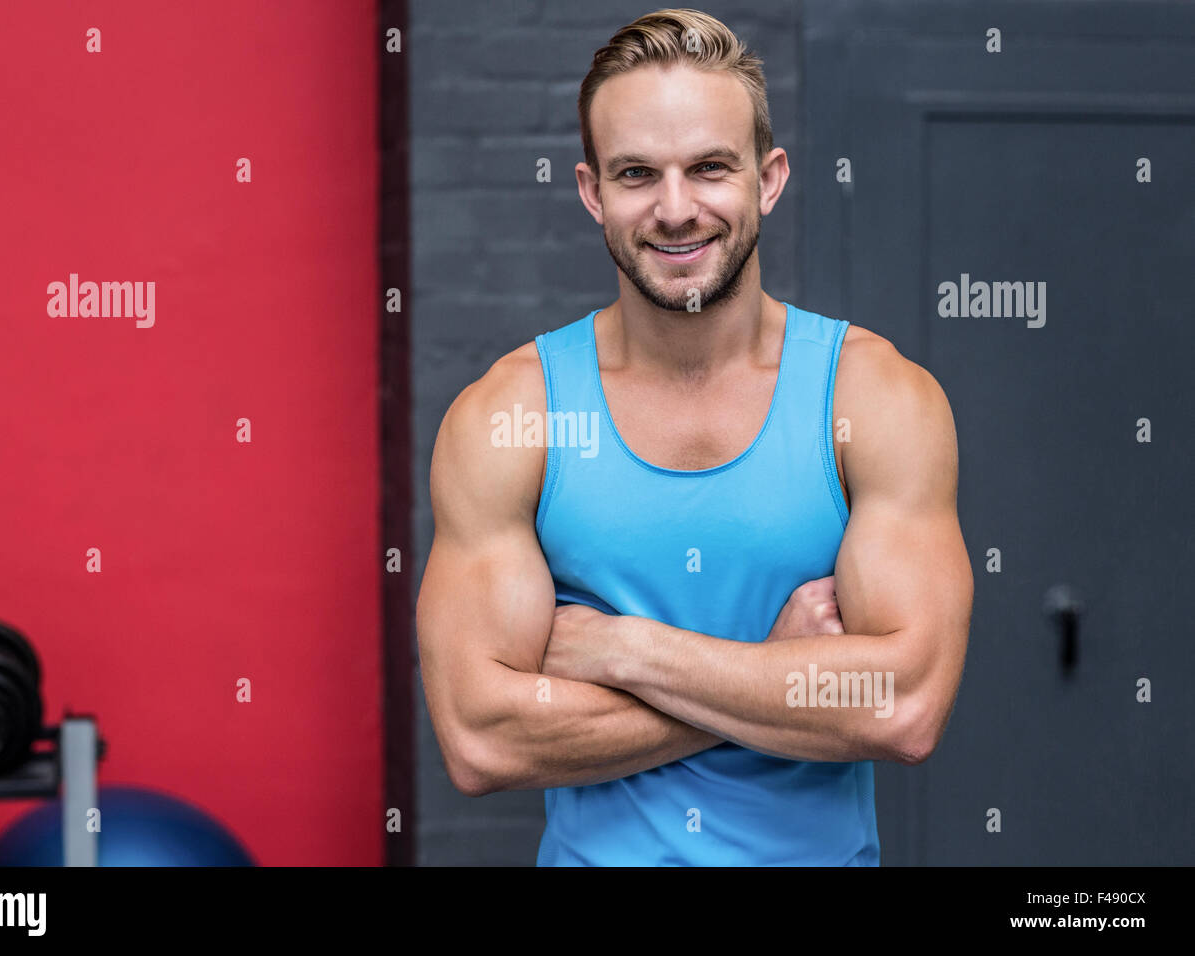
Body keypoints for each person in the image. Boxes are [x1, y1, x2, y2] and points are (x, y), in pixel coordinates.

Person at [416, 8, 972, 866]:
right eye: (638, 173)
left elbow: (902, 708)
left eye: (710, 167)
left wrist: (618, 649)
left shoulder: (875, 397)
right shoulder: (509, 417)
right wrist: (772, 673)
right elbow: (482, 741)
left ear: (769, 178)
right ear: (593, 191)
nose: (677, 210)